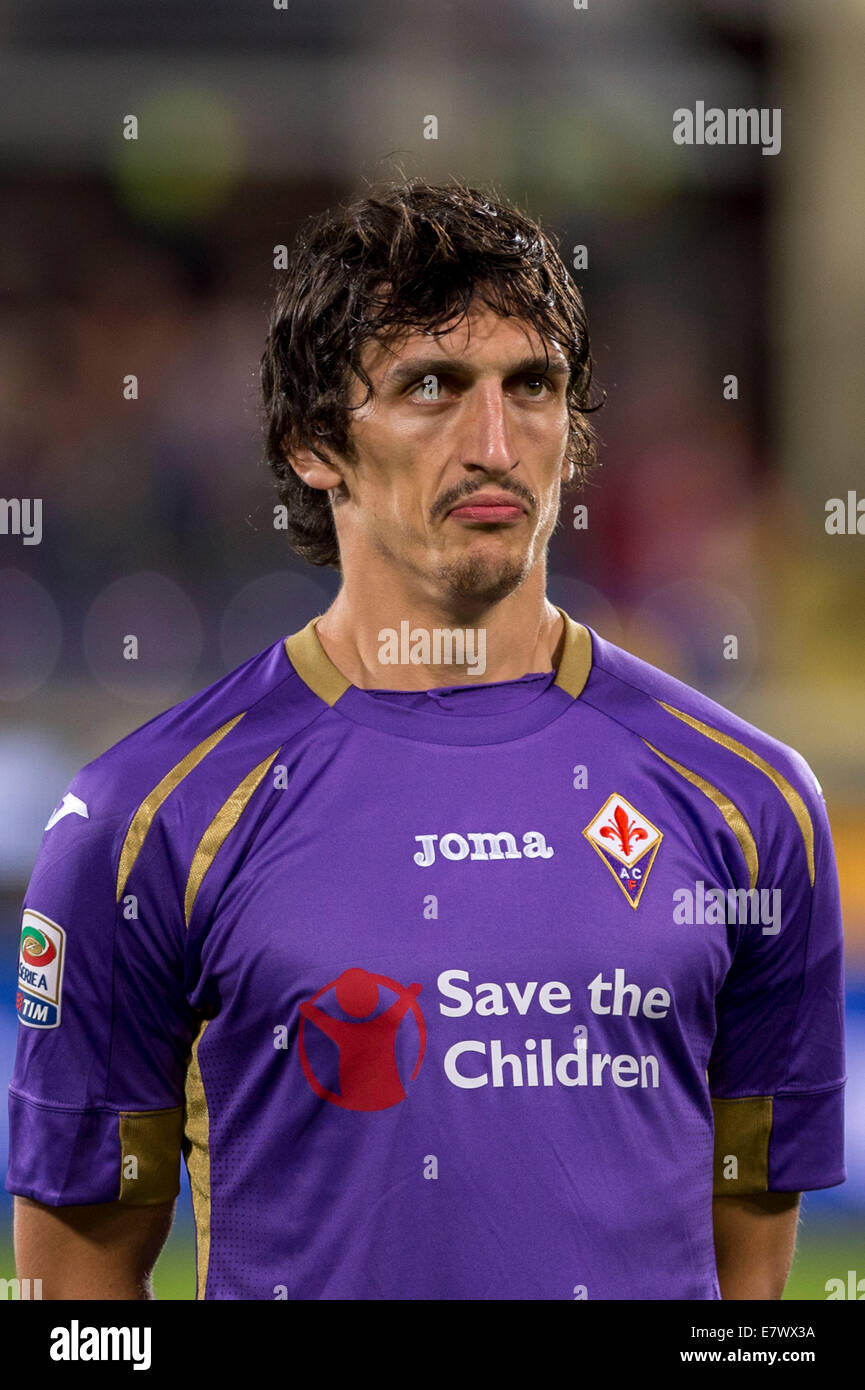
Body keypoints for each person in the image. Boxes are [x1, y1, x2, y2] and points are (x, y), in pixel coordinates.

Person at [8, 179, 845, 1300]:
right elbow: (77, 1289)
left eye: (532, 386)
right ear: (312, 443)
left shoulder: (751, 800)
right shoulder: (144, 816)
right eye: (433, 387)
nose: (493, 442)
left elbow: (750, 1237)